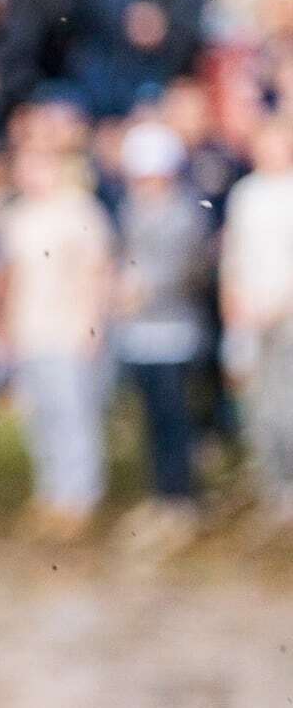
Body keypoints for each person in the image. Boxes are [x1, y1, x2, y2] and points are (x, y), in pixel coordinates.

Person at [0, 130, 115, 543]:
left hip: (69, 330)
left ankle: (80, 497)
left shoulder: (80, 210)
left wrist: (92, 325)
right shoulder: (18, 216)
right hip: (30, 331)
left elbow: (98, 270)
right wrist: (8, 329)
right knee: (40, 416)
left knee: (73, 415)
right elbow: (13, 277)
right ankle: (50, 492)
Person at [112, 118, 213, 550]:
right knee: (153, 420)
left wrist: (145, 289)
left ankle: (183, 501)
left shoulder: (185, 213)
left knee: (175, 421)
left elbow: (190, 272)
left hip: (175, 332)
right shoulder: (131, 211)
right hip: (141, 334)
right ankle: (162, 495)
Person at [222, 113, 293, 533]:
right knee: (257, 405)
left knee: (287, 402)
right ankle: (273, 486)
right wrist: (232, 299)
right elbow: (233, 252)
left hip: (285, 316)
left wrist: (280, 305)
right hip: (249, 314)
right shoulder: (245, 194)